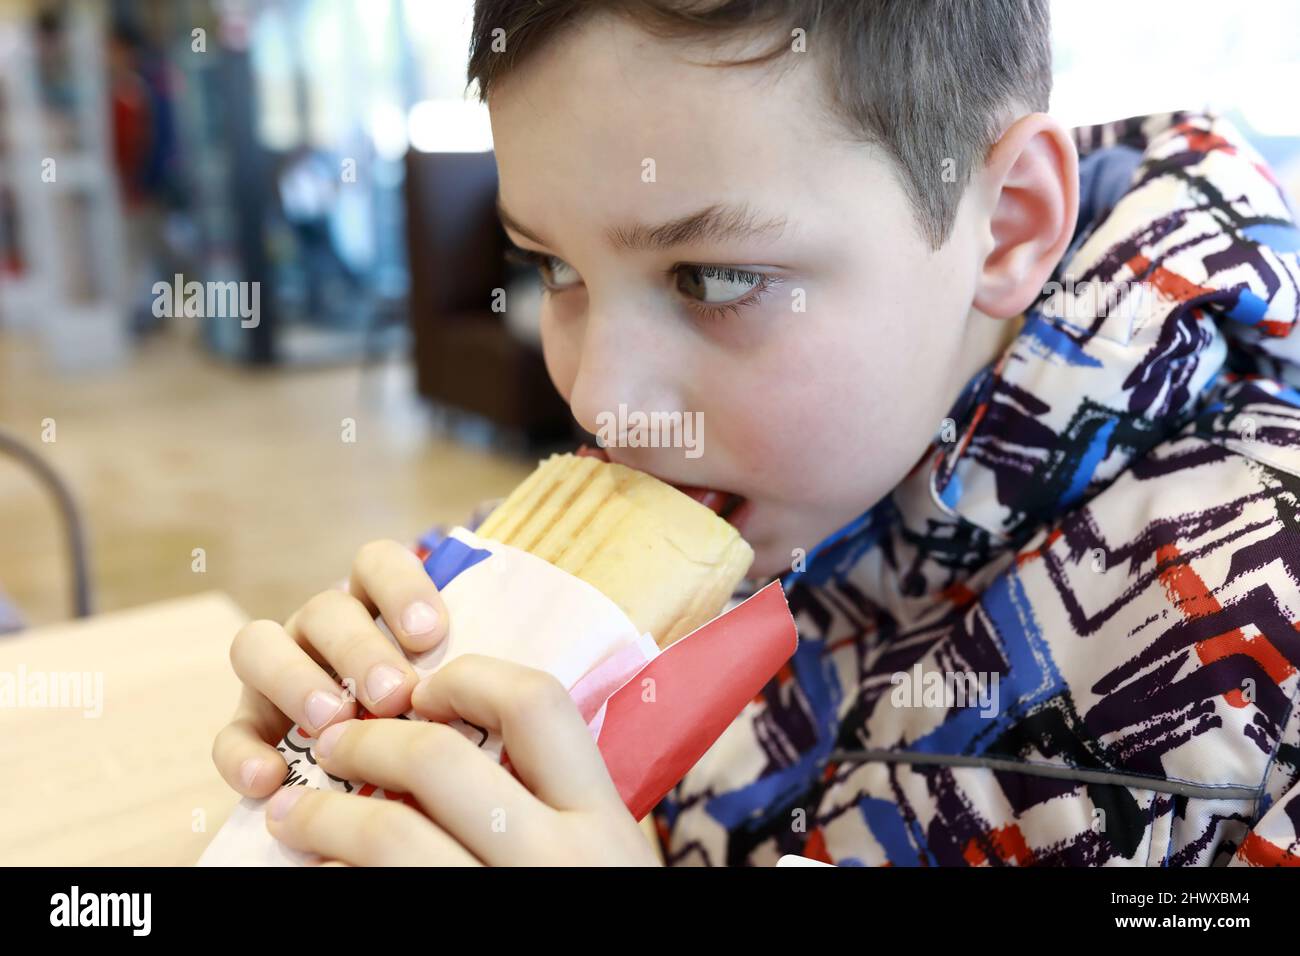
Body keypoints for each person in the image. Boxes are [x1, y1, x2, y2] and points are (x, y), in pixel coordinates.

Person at [211, 0, 1300, 866]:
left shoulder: (1258, 663)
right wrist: (378, 725)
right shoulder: (708, 465)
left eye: (714, 277)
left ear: (1007, 221)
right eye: (554, 267)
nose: (598, 400)